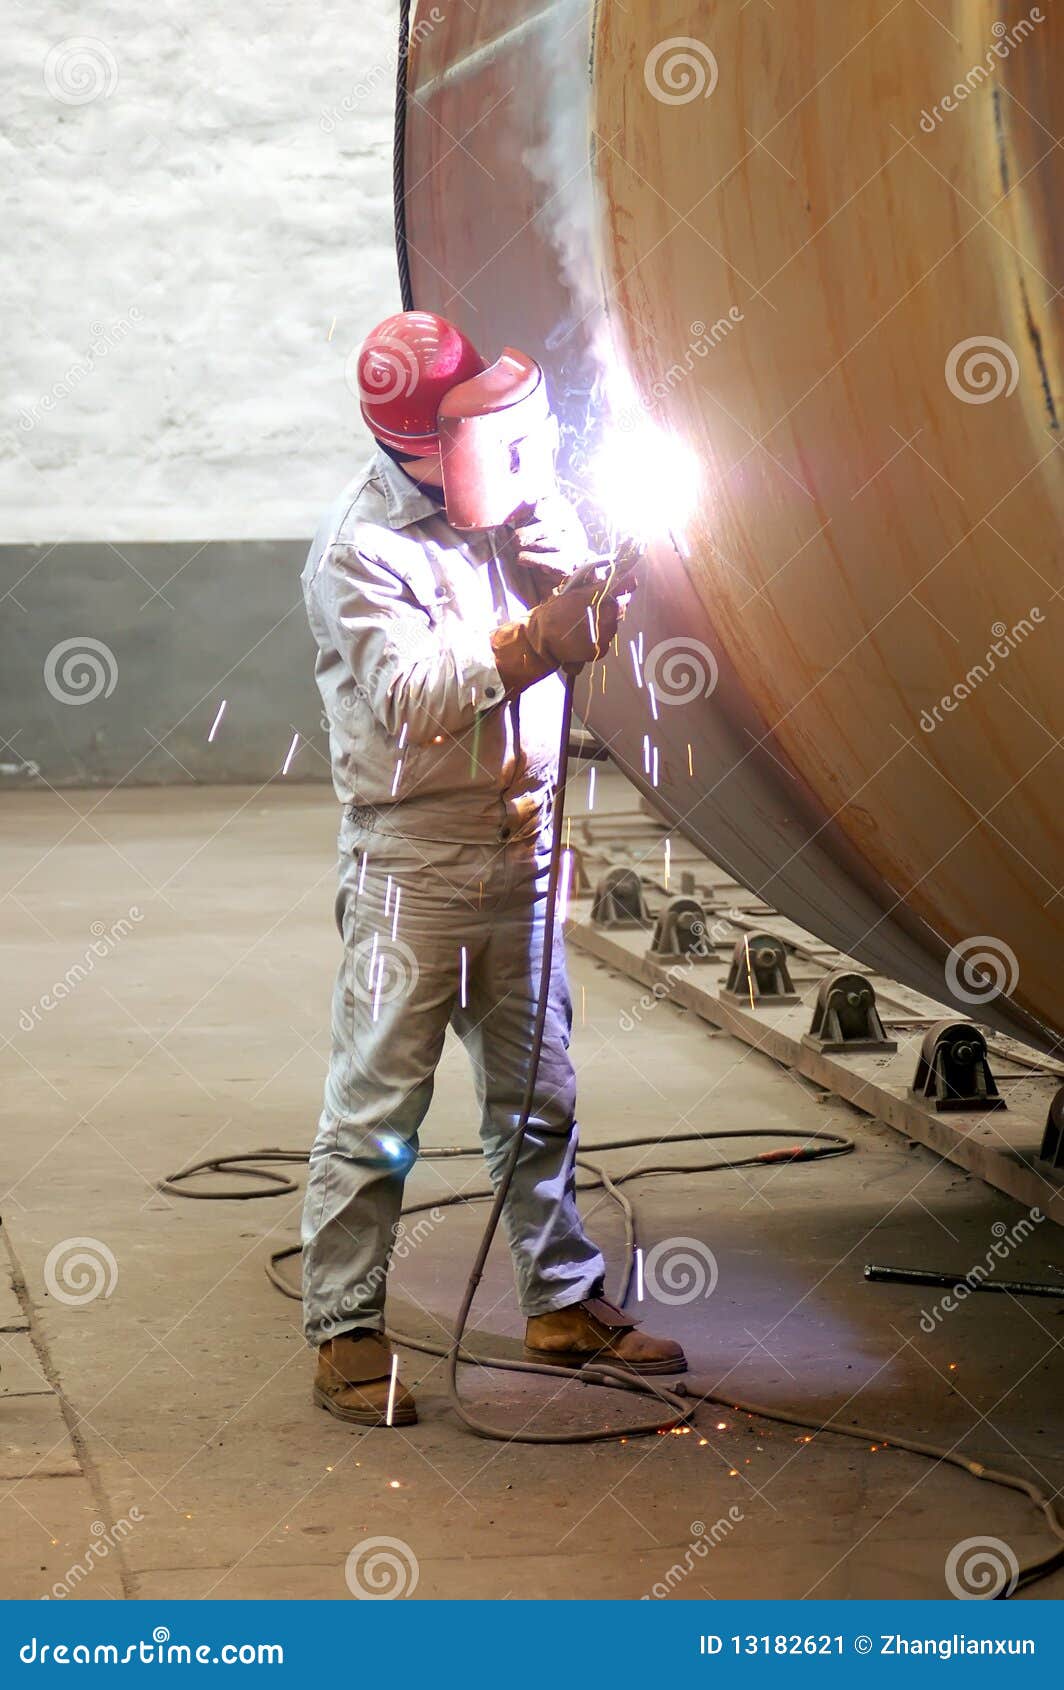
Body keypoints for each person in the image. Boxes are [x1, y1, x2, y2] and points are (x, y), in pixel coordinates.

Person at [301, 310, 686, 1427]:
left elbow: (575, 585)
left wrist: (586, 583)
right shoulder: (359, 552)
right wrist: (529, 643)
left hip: (522, 845)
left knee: (537, 1098)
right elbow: (417, 699)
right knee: (378, 1110)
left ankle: (560, 1300)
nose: (513, 461)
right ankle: (346, 1325)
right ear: (420, 446)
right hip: (411, 863)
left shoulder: (510, 492)